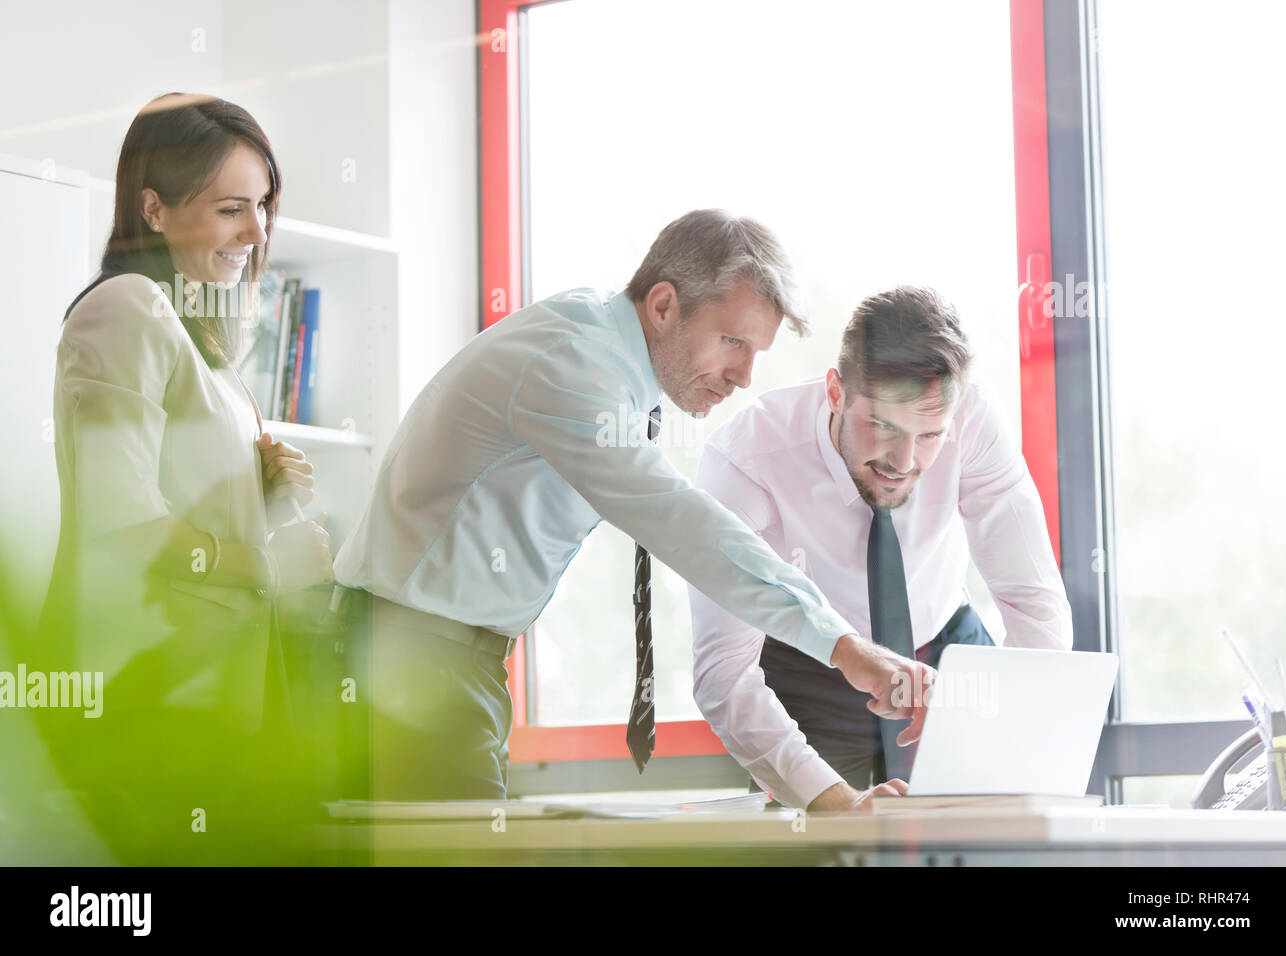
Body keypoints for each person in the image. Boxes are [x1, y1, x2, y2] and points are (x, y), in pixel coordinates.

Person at [333, 210, 929, 803]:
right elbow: (681, 522)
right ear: (665, 305)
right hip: (412, 655)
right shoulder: (574, 365)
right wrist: (844, 646)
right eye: (732, 342)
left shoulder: (610, 354)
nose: (744, 376)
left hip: (451, 660)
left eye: (757, 353)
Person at [39, 93, 334, 863]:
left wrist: (268, 499)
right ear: (155, 210)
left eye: (263, 206)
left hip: (216, 707)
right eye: (232, 208)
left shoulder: (206, 351)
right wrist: (267, 564)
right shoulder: (126, 308)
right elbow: (125, 523)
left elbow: (203, 528)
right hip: (146, 705)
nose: (257, 232)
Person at [689, 285, 1073, 810]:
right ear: (835, 393)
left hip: (943, 644)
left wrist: (1014, 732)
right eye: (883, 426)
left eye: (930, 435)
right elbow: (724, 675)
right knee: (820, 849)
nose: (903, 461)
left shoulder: (976, 417)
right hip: (809, 671)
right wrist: (833, 803)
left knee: (989, 838)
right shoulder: (746, 459)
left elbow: (1032, 599)